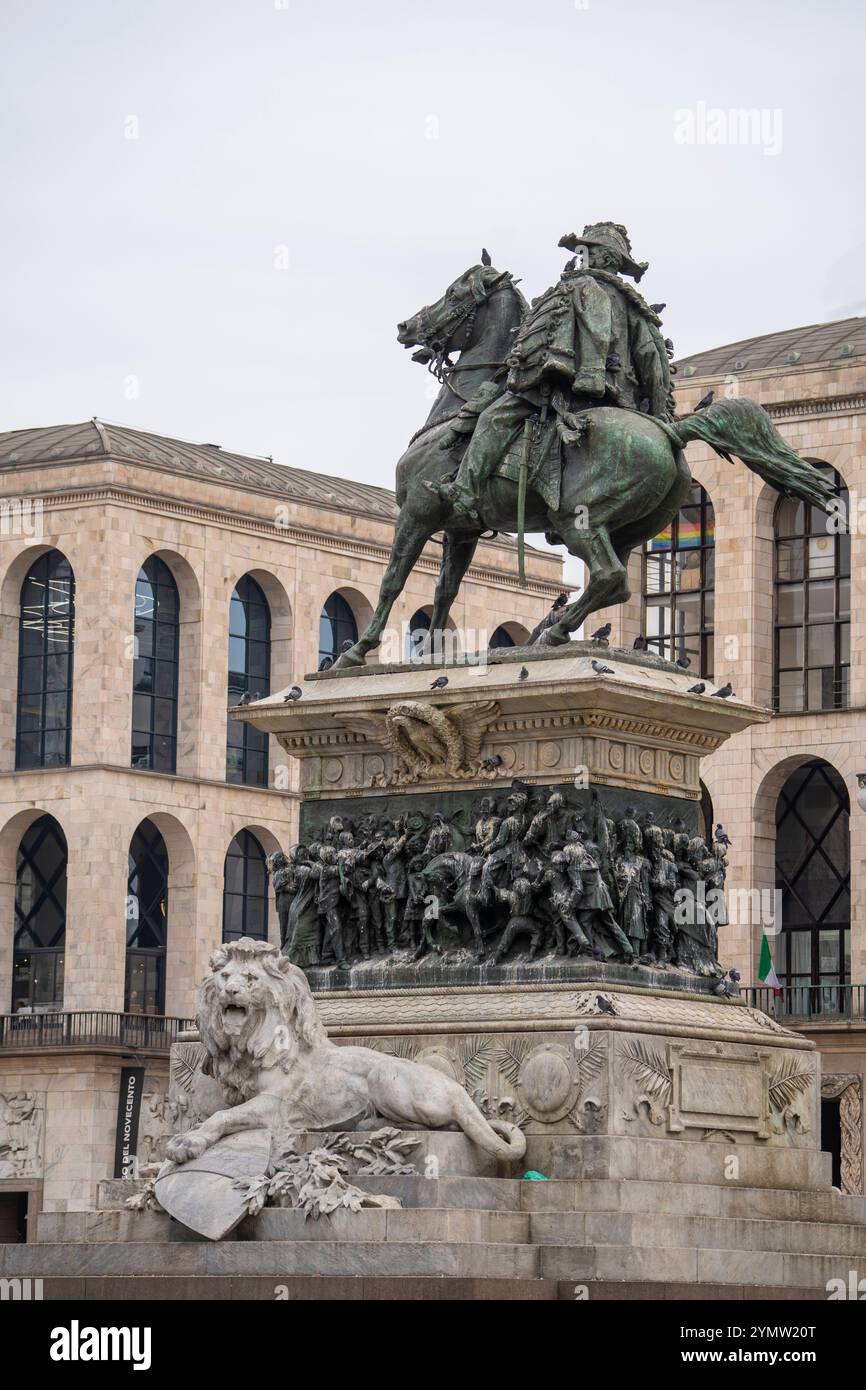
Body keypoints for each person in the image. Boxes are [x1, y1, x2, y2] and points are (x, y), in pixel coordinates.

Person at [425, 222, 671, 522]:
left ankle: (464, 489)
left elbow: (553, 342)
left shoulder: (577, 288)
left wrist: (528, 372)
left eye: (588, 251)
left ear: (604, 257)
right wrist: (658, 417)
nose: (583, 257)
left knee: (493, 418)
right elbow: (652, 359)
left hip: (566, 389)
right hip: (619, 401)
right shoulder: (635, 306)